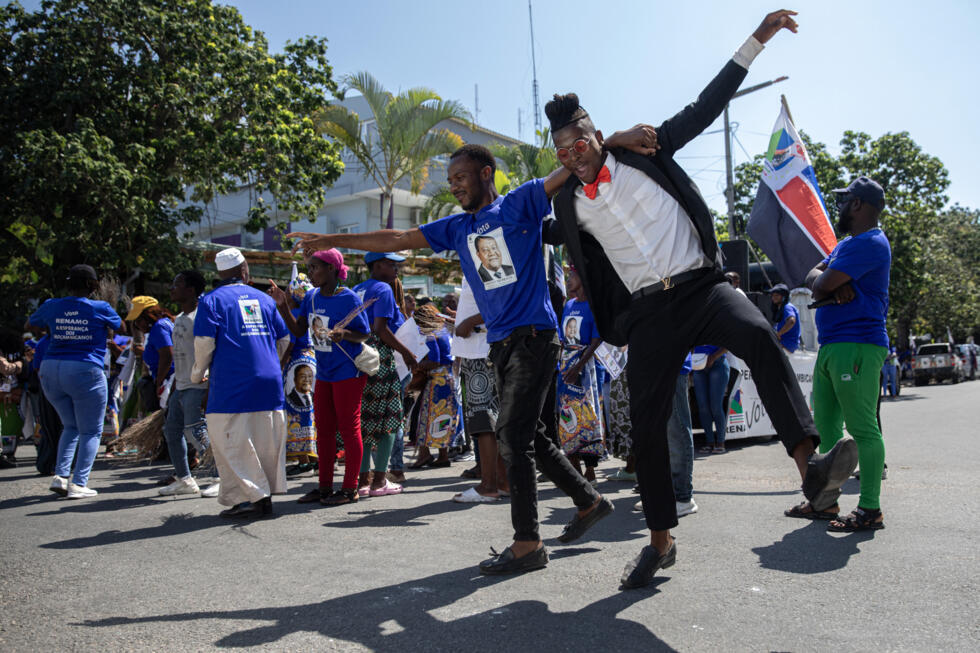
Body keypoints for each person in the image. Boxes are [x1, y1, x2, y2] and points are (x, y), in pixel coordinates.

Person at [545, 10, 860, 589]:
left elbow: (706, 104)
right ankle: (660, 543)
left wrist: (757, 40)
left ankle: (810, 470)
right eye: (562, 149)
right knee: (647, 427)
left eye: (581, 140)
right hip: (647, 313)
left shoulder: (647, 149)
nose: (574, 153)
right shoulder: (568, 206)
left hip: (703, 287)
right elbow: (517, 212)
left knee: (761, 337)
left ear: (596, 132)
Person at [288, 139, 655, 576]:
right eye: (450, 181)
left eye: (461, 178)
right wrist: (330, 239)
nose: (454, 187)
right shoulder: (459, 227)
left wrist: (614, 141)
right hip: (500, 344)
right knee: (529, 434)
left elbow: (573, 164)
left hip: (534, 337)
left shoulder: (520, 203)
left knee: (512, 438)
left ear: (486, 174)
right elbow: (400, 237)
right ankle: (589, 501)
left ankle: (528, 542)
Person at [787, 176, 890, 532]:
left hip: (858, 343)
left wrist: (831, 280)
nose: (841, 207)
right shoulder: (848, 244)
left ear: (858, 205)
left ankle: (870, 509)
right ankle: (825, 503)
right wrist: (829, 279)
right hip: (833, 346)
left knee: (863, 429)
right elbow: (813, 274)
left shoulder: (871, 243)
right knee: (828, 429)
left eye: (845, 201)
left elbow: (823, 282)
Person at [190, 248, 290, 518]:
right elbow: (284, 340)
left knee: (231, 442)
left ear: (220, 273)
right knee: (264, 441)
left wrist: (198, 373)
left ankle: (252, 496)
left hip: (232, 383)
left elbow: (203, 343)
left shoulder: (211, 301)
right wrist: (270, 362)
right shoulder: (264, 300)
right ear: (244, 270)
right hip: (269, 383)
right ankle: (261, 494)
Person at [269, 248, 371, 507]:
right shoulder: (311, 296)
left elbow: (364, 334)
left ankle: (350, 489)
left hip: (348, 371)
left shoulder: (348, 298)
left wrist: (343, 334)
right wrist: (282, 307)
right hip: (323, 372)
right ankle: (324, 486)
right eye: (310, 267)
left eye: (315, 267)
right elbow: (298, 330)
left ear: (332, 269)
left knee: (349, 429)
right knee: (323, 430)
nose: (311, 272)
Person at [27, 264, 121, 498]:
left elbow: (32, 323)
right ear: (94, 285)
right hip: (84, 370)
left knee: (70, 426)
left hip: (50, 370)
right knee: (91, 431)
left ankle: (60, 477)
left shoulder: (51, 305)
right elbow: (119, 325)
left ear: (68, 284)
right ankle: (78, 483)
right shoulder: (101, 307)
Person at [353, 252, 417, 497]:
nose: (396, 269)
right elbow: (381, 329)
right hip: (380, 358)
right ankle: (380, 480)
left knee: (365, 419)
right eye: (391, 264)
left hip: (359, 357)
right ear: (377, 266)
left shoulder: (357, 289)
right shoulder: (384, 289)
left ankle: (363, 480)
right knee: (390, 418)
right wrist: (407, 352)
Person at [158, 270, 218, 498]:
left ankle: (220, 476)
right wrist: (174, 387)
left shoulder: (201, 317)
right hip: (181, 386)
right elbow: (180, 357)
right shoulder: (180, 319)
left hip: (198, 386)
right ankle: (185, 479)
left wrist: (208, 386)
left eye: (177, 284)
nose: (172, 288)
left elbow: (211, 355)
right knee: (171, 432)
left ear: (191, 290)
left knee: (197, 433)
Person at [451, 277, 509, 503]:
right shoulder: (473, 264)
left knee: (484, 422)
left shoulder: (481, 261)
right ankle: (501, 482)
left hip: (481, 353)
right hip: (477, 350)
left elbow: (500, 304)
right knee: (491, 422)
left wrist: (468, 323)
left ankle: (488, 485)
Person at [557, 267, 605, 486]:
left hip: (585, 366)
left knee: (588, 415)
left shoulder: (593, 306)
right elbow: (561, 337)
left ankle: (590, 469)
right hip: (565, 365)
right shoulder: (568, 305)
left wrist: (579, 366)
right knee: (566, 414)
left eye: (572, 276)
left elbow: (596, 340)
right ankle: (574, 466)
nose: (568, 280)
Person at [407, 303, 461, 468]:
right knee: (442, 418)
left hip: (437, 380)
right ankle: (442, 456)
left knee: (423, 417)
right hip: (448, 378)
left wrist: (416, 365)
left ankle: (424, 455)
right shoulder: (442, 330)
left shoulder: (430, 334)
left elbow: (435, 360)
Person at [283, 272, 318, 475]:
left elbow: (290, 342)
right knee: (309, 409)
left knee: (298, 411)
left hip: (298, 362)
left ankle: (305, 461)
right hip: (310, 360)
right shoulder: (309, 313)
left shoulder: (295, 314)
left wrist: (280, 364)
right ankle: (313, 457)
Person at [127, 296, 175, 408]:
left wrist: (158, 383)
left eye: (139, 320)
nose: (137, 325)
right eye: (135, 322)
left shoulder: (159, 327)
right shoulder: (163, 324)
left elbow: (167, 356)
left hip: (168, 382)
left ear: (149, 315)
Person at [692, 344, 730, 454]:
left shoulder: (718, 326)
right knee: (703, 406)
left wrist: (713, 357)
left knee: (715, 406)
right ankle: (709, 442)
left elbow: (727, 345)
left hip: (718, 363)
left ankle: (720, 442)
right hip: (699, 364)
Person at [769, 283, 801, 353]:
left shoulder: (787, 307)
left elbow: (791, 321)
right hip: (785, 343)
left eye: (777, 295)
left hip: (787, 344)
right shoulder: (781, 308)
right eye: (773, 295)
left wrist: (778, 334)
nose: (774, 297)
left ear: (784, 296)